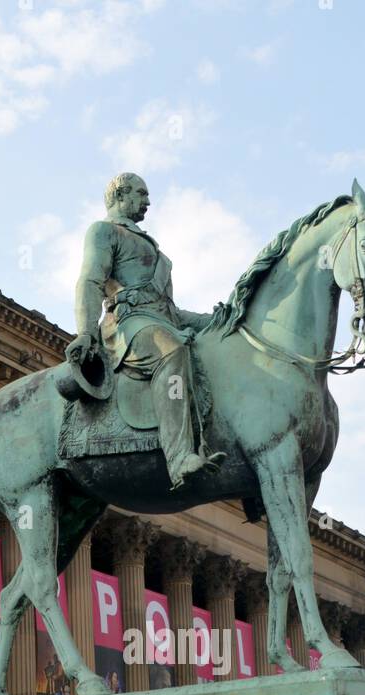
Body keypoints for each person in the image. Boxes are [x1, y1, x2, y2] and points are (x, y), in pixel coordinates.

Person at [68, 172, 217, 489]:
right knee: (171, 350)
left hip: (161, 320)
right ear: (120, 195)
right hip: (126, 324)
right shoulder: (104, 231)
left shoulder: (161, 256)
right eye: (141, 193)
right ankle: (179, 459)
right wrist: (85, 330)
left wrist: (215, 320)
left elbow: (173, 310)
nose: (148, 200)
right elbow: (90, 280)